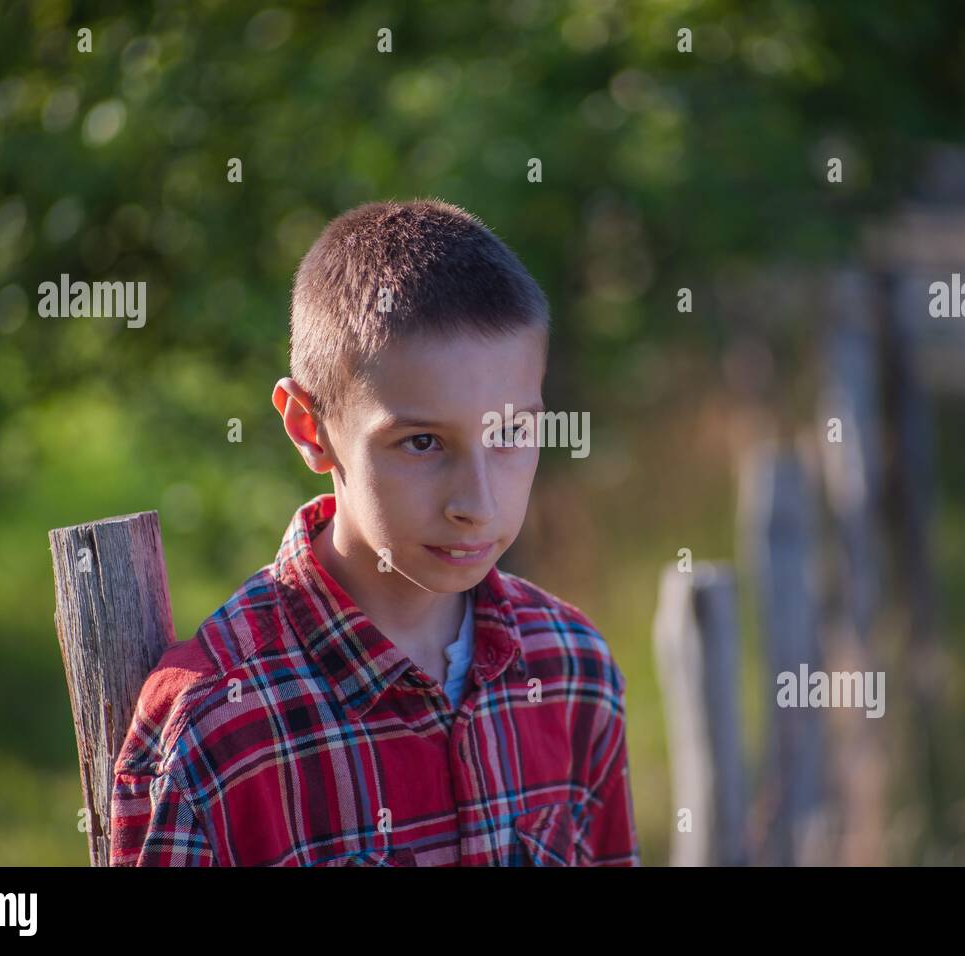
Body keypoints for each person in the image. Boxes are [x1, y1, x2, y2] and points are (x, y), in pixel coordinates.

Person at [108, 199, 639, 866]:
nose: (476, 504)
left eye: (511, 433)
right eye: (422, 442)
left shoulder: (572, 670)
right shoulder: (218, 729)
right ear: (310, 428)